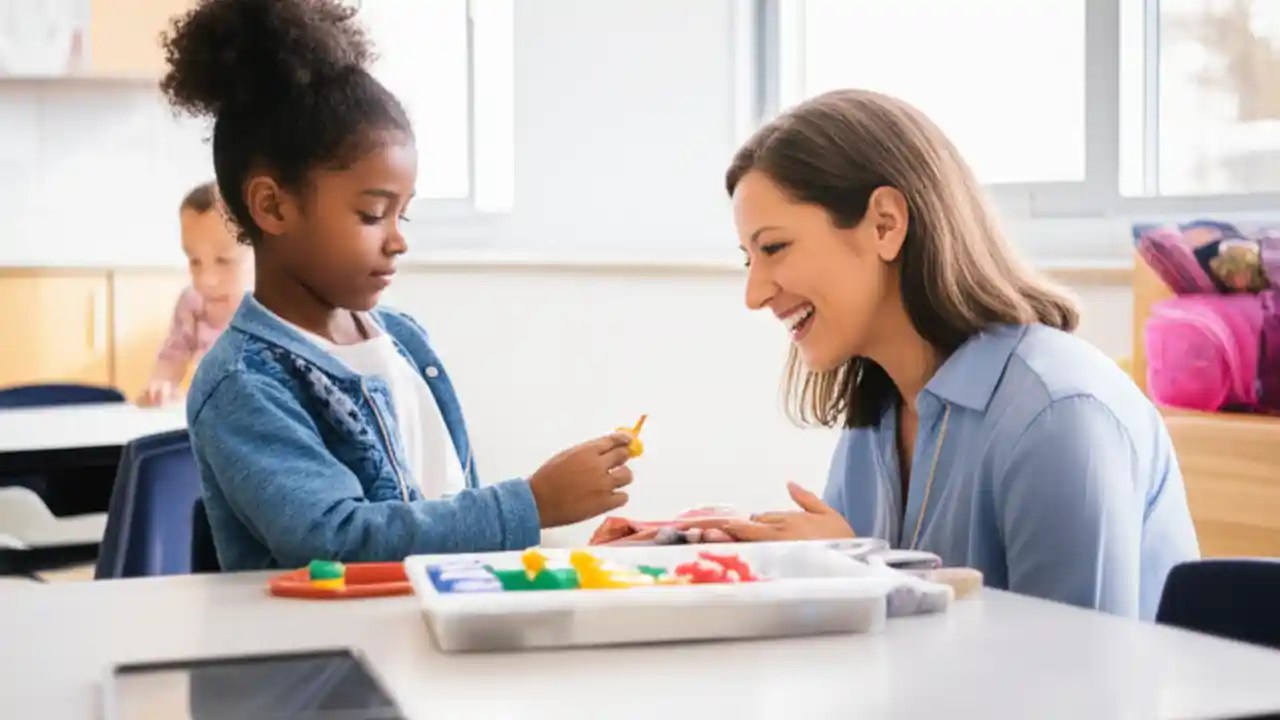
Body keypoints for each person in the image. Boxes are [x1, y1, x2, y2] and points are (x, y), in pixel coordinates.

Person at [161, 0, 633, 570]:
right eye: (371, 215)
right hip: (325, 655)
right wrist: (531, 504)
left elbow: (444, 506)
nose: (397, 240)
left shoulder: (404, 340)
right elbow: (333, 538)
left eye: (401, 215)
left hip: (428, 639)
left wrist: (541, 555)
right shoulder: (243, 382)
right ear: (273, 205)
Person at [721, 89, 1199, 619]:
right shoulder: (873, 425)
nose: (755, 293)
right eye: (748, 259)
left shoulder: (1059, 415)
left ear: (885, 224)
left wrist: (863, 579)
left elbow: (1072, 683)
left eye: (774, 248)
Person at [137, 181, 252, 407]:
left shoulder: (277, 307)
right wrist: (161, 385)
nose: (206, 280)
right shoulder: (192, 303)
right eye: (194, 261)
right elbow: (173, 355)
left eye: (224, 261)